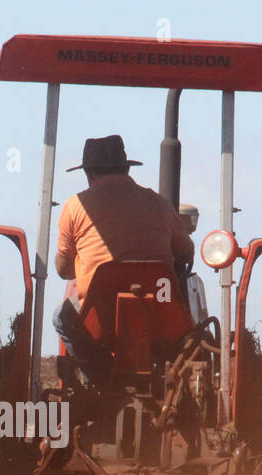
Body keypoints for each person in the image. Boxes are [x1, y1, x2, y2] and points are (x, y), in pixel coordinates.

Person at [53, 135, 195, 383]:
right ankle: (167, 375)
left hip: (101, 319)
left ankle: (99, 377)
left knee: (60, 316)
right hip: (160, 313)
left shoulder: (75, 206)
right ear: (127, 169)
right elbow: (186, 250)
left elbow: (64, 269)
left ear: (89, 174)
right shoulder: (158, 203)